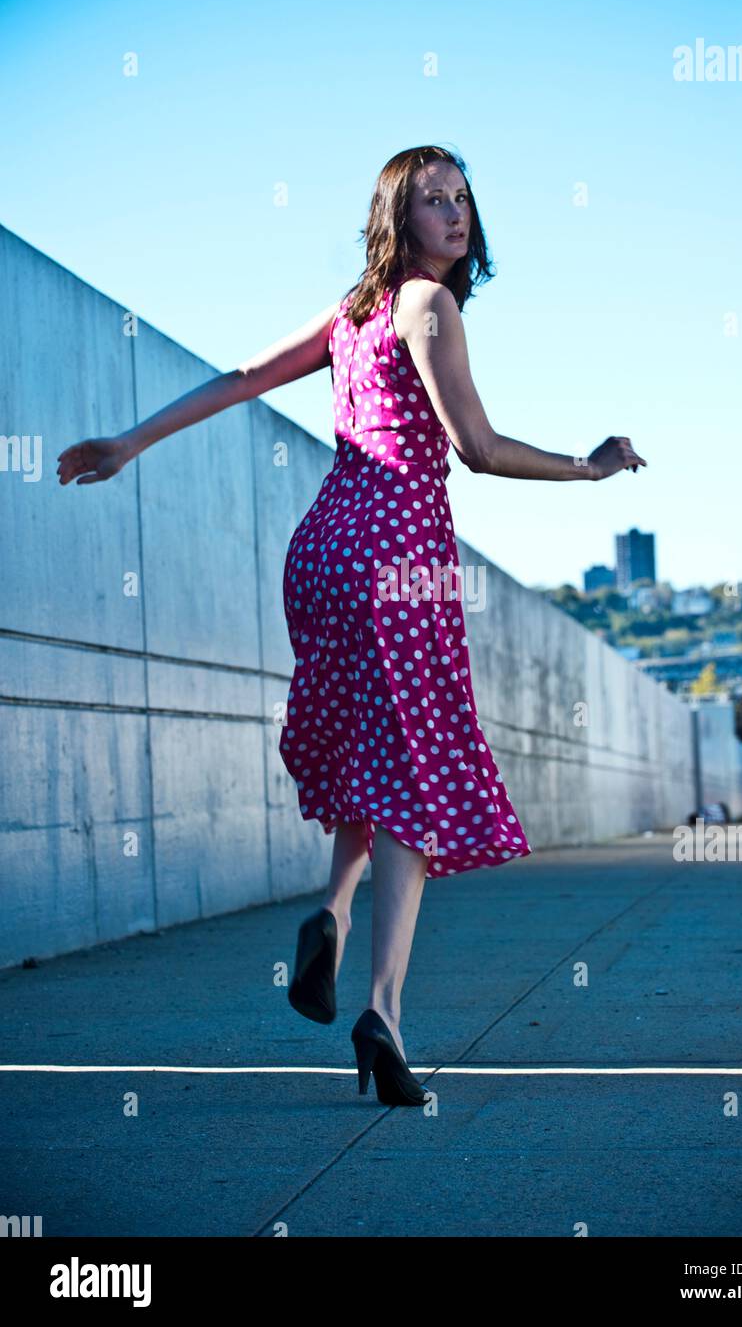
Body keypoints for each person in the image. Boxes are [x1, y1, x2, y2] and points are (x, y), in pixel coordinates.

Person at [56, 144, 646, 1107]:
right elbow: (479, 448)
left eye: (461, 198)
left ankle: (329, 911)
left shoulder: (351, 312)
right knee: (415, 774)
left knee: (371, 757)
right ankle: (382, 1011)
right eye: (433, 202)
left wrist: (132, 440)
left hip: (324, 547)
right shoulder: (426, 307)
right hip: (399, 554)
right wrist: (585, 469)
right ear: (398, 220)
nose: (455, 215)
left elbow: (244, 376)